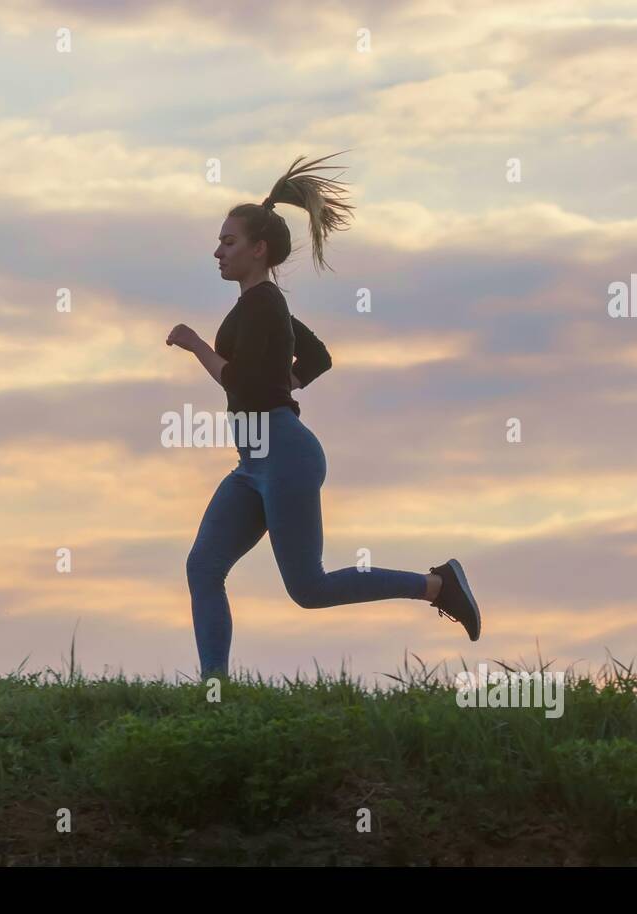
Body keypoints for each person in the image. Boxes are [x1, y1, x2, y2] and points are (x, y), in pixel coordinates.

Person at [165, 151, 481, 680]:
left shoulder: (266, 305)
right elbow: (314, 359)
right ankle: (213, 690)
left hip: (284, 455)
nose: (217, 252)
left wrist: (197, 344)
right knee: (203, 566)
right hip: (255, 461)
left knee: (308, 589)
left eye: (228, 241)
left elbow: (242, 382)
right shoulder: (263, 307)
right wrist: (281, 381)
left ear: (258, 249)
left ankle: (437, 586)